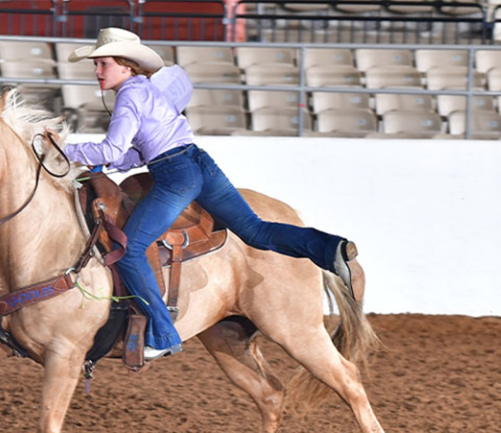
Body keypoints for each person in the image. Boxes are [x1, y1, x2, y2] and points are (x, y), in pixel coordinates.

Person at [50, 28, 363, 362]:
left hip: (174, 175)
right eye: (96, 64)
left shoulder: (128, 95)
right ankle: (331, 249)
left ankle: (163, 332)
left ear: (126, 66)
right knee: (255, 230)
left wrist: (62, 148)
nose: (98, 71)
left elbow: (113, 147)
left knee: (131, 249)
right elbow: (136, 154)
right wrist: (89, 157)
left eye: (104, 63)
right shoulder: (147, 91)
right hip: (198, 163)